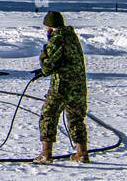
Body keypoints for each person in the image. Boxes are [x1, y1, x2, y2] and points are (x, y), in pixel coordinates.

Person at [33, 10, 89, 163]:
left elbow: (48, 65)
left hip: (62, 86)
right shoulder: (72, 37)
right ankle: (82, 153)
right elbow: (65, 60)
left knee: (48, 116)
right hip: (78, 85)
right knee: (76, 118)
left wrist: (44, 54)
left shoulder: (57, 39)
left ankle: (46, 154)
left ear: (50, 27)